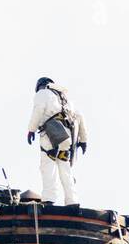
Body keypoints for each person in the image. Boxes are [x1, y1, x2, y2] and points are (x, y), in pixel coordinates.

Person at [27, 76, 87, 206]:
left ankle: (49, 198)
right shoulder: (66, 100)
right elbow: (79, 117)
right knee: (65, 169)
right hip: (66, 139)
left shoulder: (42, 94)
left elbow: (38, 110)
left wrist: (31, 129)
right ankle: (72, 201)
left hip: (50, 136)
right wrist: (83, 140)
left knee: (48, 166)